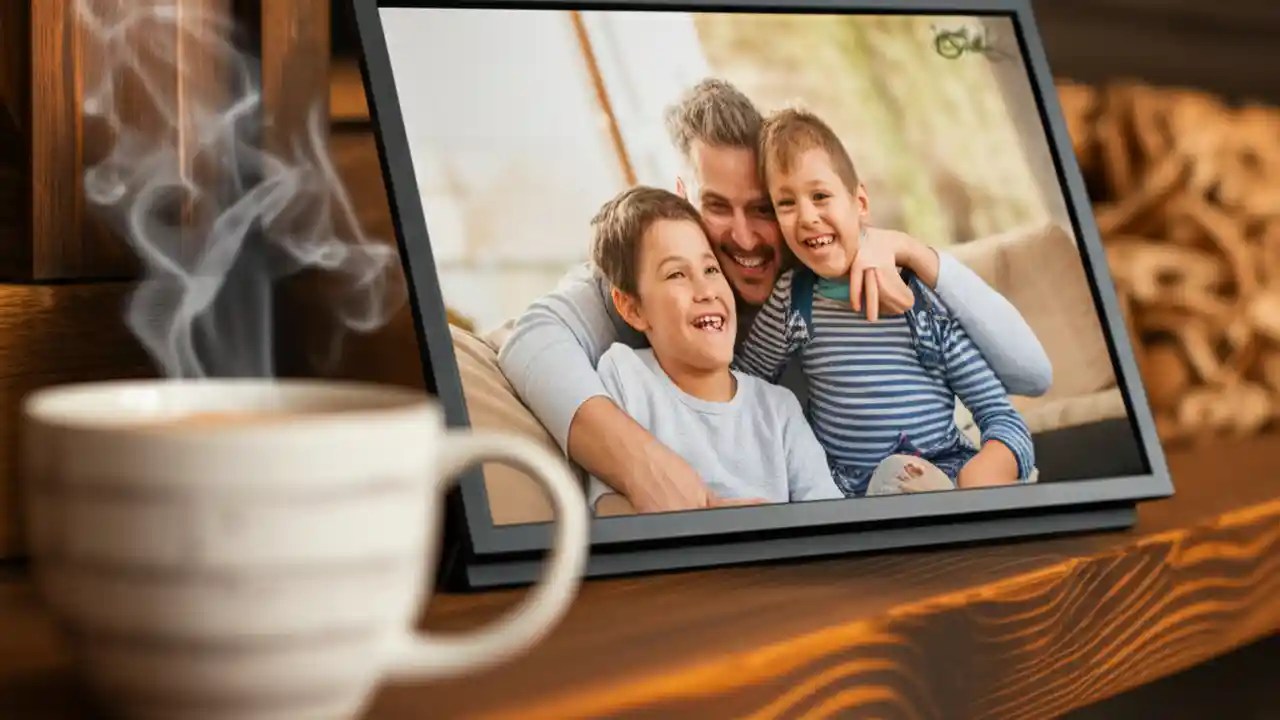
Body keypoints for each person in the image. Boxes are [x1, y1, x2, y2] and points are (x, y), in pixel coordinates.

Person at [497, 78, 1051, 513]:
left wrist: (913, 251)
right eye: (717, 206)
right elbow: (531, 339)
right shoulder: (657, 285)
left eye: (763, 208)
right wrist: (638, 460)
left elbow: (1029, 376)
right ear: (685, 199)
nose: (743, 237)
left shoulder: (837, 277)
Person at [737, 106, 1035, 496]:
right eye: (786, 204)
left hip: (945, 477)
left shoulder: (924, 304)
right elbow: (741, 391)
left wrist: (979, 477)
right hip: (847, 494)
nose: (806, 217)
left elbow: (1003, 419)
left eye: (820, 195)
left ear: (860, 203)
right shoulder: (793, 301)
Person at [585, 186, 843, 510]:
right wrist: (709, 522)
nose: (705, 290)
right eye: (677, 274)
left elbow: (829, 519)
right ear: (633, 308)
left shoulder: (778, 410)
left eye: (710, 269)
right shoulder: (625, 376)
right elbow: (607, 509)